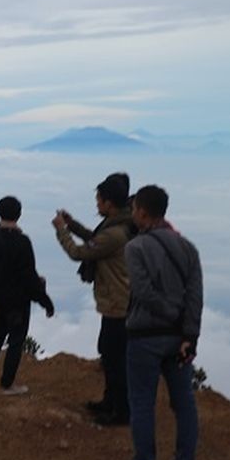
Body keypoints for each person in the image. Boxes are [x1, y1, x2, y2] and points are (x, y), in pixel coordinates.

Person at [117, 185, 203, 460]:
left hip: (144, 336)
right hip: (179, 339)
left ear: (141, 211)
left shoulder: (135, 248)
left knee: (141, 401)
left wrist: (167, 314)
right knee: (184, 403)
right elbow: (195, 296)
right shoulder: (188, 248)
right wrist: (189, 334)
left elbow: (141, 292)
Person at [52, 172, 135, 426]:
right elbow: (94, 239)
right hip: (117, 302)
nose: (97, 204)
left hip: (117, 304)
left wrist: (61, 232)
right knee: (110, 356)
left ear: (110, 203)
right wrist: (72, 224)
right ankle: (111, 402)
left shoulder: (115, 233)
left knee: (115, 359)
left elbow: (79, 253)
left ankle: (121, 412)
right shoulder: (119, 223)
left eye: (99, 200)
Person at [0, 196, 55, 395]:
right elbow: (29, 276)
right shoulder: (22, 242)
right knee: (15, 341)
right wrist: (45, 300)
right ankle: (7, 383)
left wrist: (2, 231)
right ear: (19, 215)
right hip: (18, 303)